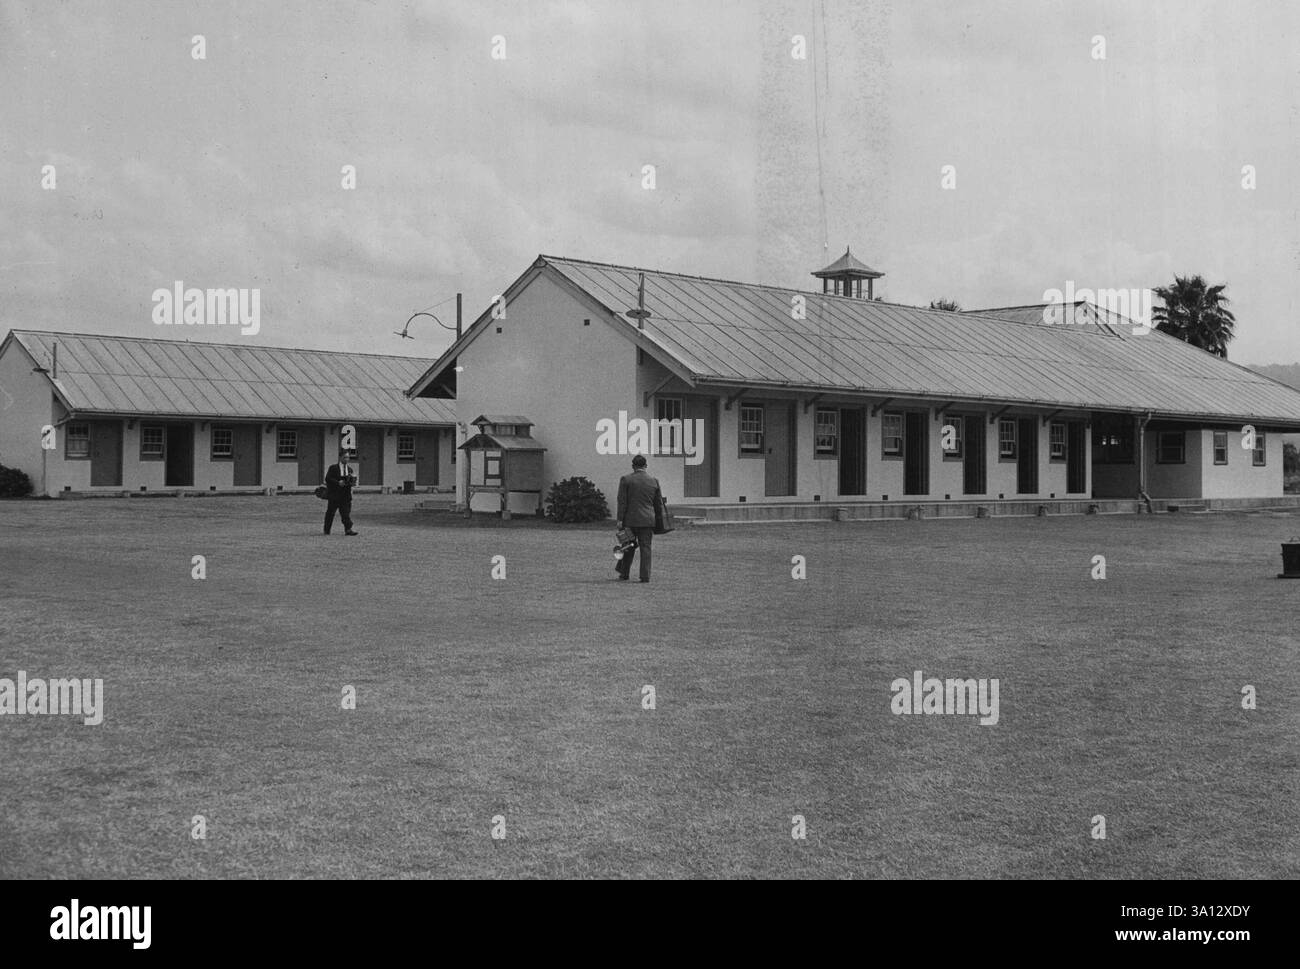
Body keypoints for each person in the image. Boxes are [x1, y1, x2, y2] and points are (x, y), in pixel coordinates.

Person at [615, 454, 662, 583]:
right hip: (647, 520)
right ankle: (645, 576)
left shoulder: (626, 479)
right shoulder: (654, 481)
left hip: (630, 520)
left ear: (633, 466)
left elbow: (622, 501)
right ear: (646, 466)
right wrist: (658, 520)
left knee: (628, 545)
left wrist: (619, 520)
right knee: (646, 547)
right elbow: (658, 504)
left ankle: (624, 573)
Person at [324, 448, 359, 536]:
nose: (346, 459)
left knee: (345, 513)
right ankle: (327, 530)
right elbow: (328, 479)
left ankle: (348, 529)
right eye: (344, 457)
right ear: (340, 458)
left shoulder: (350, 470)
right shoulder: (333, 468)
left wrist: (353, 483)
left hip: (345, 496)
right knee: (330, 513)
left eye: (348, 457)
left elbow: (351, 483)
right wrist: (338, 482)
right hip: (335, 495)